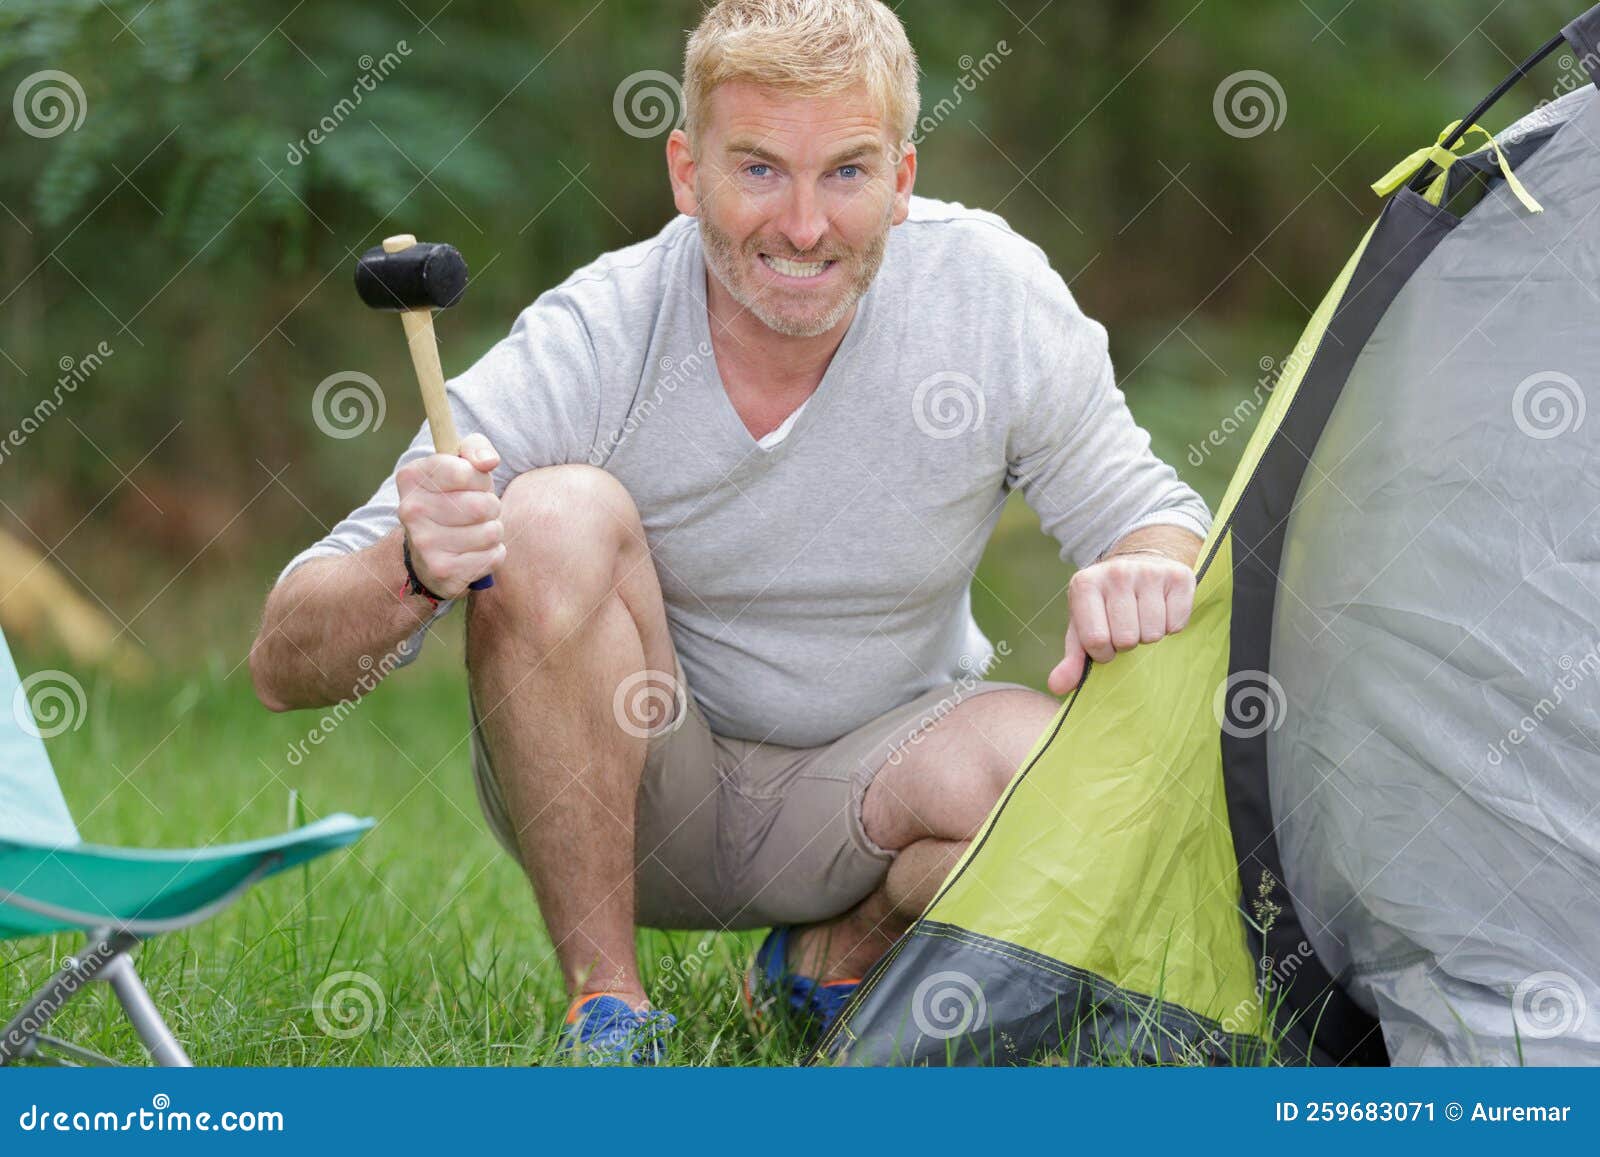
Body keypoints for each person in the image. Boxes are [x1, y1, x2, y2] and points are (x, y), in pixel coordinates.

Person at [250, 0, 1210, 1063]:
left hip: (878, 787)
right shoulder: (599, 332)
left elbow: (1153, 519)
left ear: (900, 179)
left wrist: (1141, 568)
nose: (801, 225)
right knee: (553, 514)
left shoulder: (988, 296)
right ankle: (606, 1011)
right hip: (636, 796)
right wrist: (413, 565)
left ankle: (834, 954)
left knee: (1051, 775)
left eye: (844, 172)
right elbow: (283, 664)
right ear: (685, 172)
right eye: (756, 169)